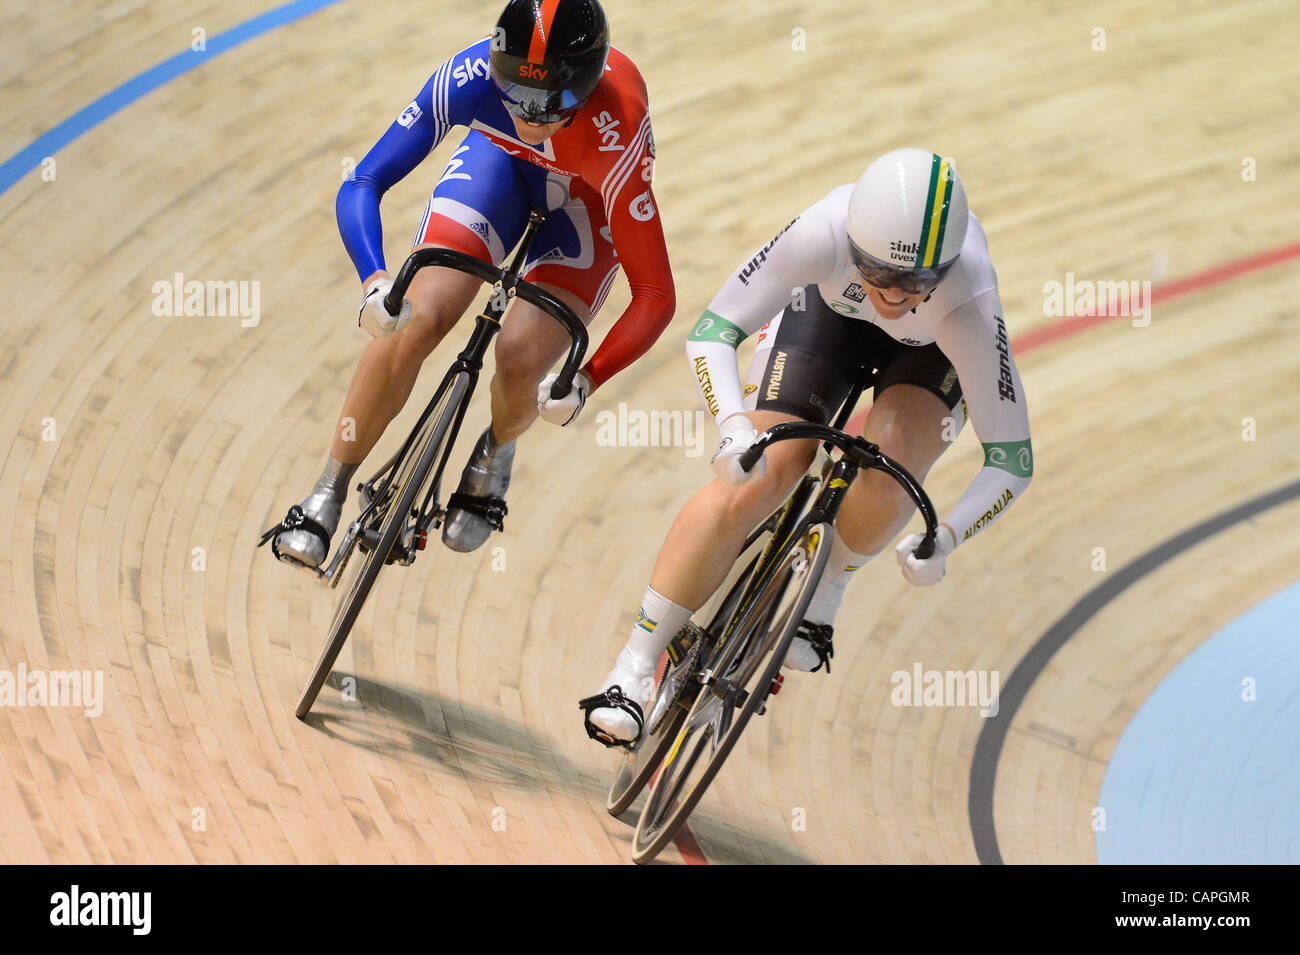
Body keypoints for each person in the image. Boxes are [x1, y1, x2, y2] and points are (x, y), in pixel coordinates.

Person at [583, 148, 1033, 745]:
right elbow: (715, 330)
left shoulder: (970, 298)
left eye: (916, 281)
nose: (894, 297)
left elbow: (1011, 459)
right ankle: (634, 667)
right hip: (825, 317)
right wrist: (734, 428)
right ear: (852, 244)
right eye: (877, 272)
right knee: (765, 470)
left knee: (894, 459)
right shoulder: (822, 231)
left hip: (931, 352)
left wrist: (945, 537)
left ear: (947, 268)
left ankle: (831, 581)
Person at [263, 0, 673, 566]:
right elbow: (363, 181)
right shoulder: (469, 76)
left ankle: (496, 451)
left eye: (551, 104)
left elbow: (655, 294)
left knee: (523, 356)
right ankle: (327, 489)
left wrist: (587, 378)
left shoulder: (616, 132)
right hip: (498, 169)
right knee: (414, 319)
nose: (530, 115)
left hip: (584, 204)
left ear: (586, 85)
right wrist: (375, 281)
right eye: (515, 95)